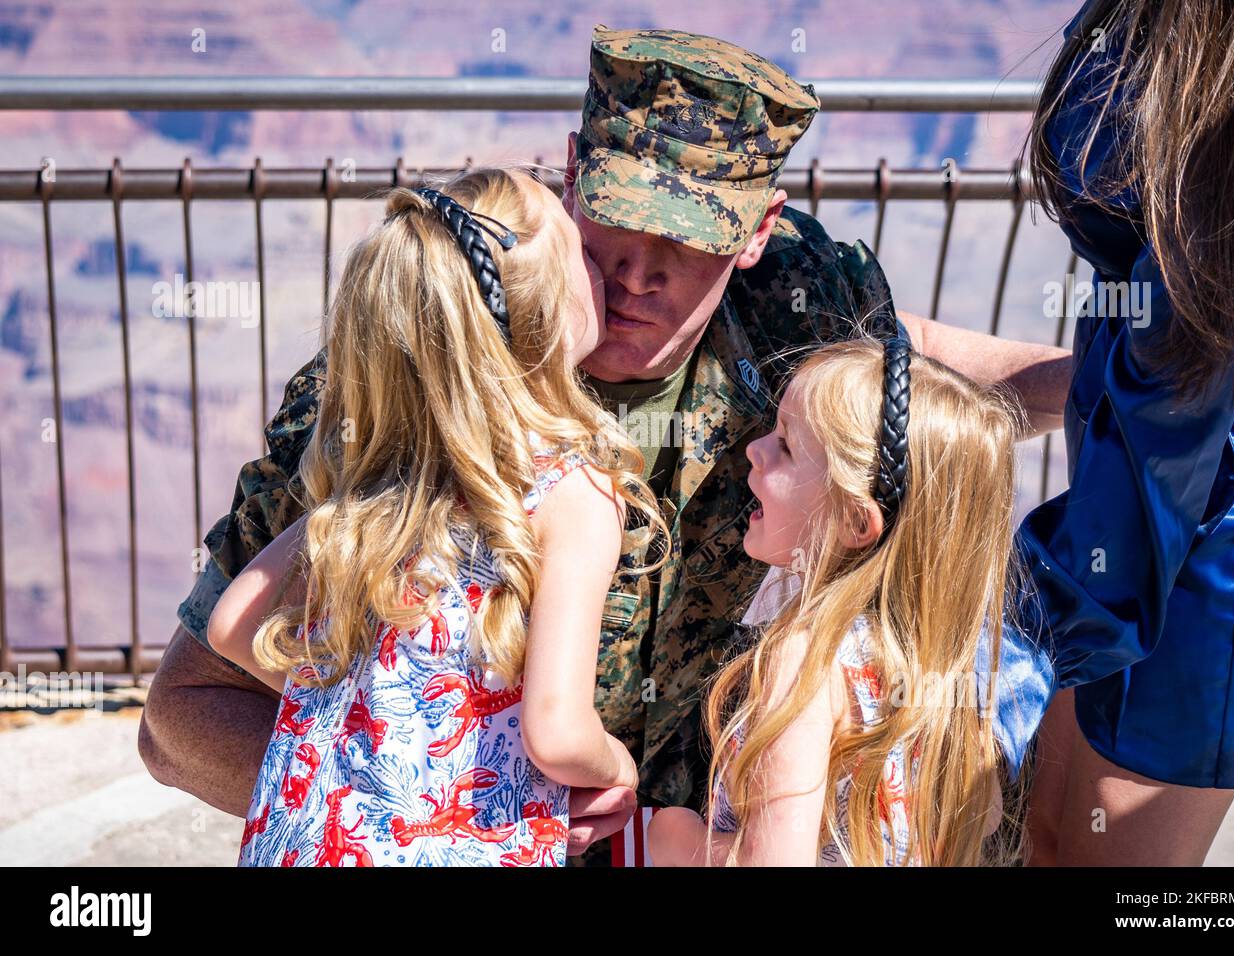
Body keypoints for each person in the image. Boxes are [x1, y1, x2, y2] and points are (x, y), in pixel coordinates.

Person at [140, 25, 1070, 867]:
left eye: (685, 239)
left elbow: (925, 381)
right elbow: (180, 719)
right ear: (573, 172)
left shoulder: (793, 303)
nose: (635, 272)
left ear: (758, 232)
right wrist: (433, 799)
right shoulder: (420, 380)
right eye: (616, 217)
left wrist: (1126, 384)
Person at [207, 169, 668, 866]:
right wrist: (617, 768)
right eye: (582, 254)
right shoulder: (571, 494)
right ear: (549, 318)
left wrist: (371, 720)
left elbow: (233, 625)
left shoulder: (376, 484)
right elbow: (557, 732)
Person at [1018, 0, 1234, 865]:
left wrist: (1053, 613)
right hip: (1143, 458)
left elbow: (1193, 352)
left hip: (1224, 487)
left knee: (1115, 861)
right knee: (1044, 827)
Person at [648, 338, 1026, 866]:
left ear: (854, 520)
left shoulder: (806, 662)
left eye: (786, 446)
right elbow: (980, 820)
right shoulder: (954, 674)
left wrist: (675, 838)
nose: (754, 450)